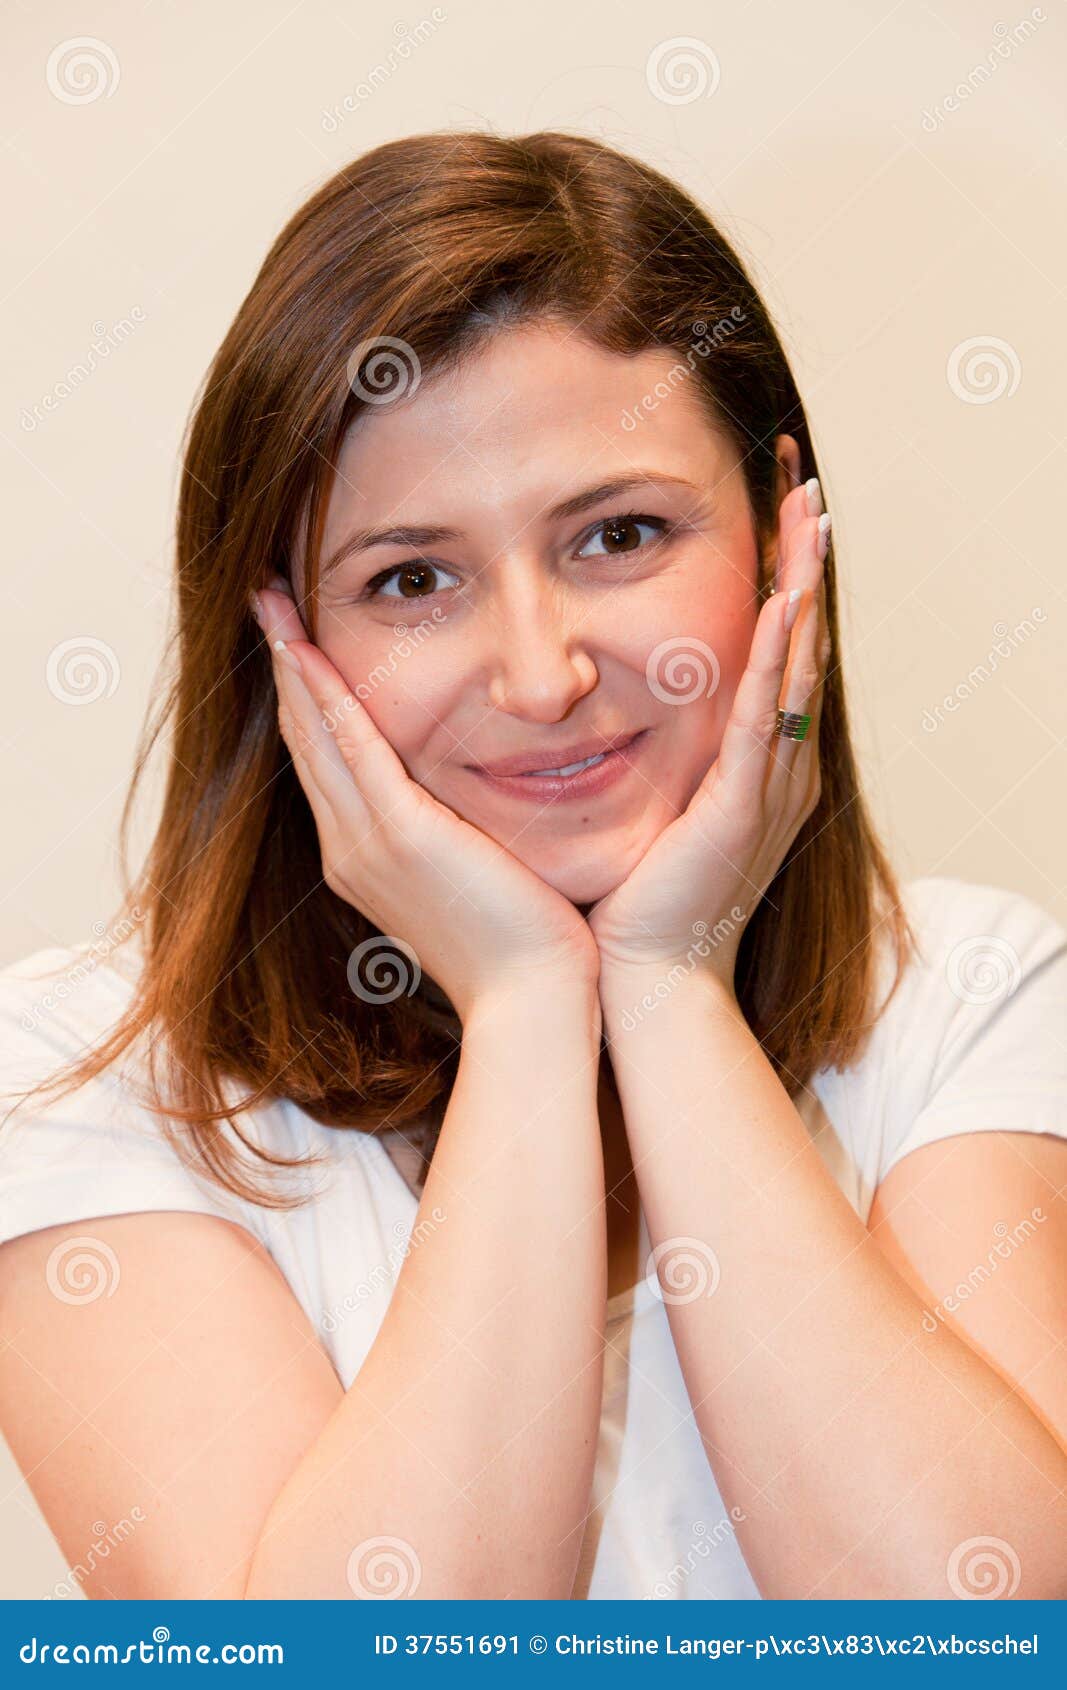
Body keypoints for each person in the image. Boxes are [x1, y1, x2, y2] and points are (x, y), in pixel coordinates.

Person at [1, 130, 1064, 1604]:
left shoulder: (968, 997)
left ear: (781, 542)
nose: (543, 671)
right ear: (277, 643)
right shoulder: (80, 1080)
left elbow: (983, 1627)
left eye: (619, 535)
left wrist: (666, 983)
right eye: (412, 579)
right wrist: (519, 1003)